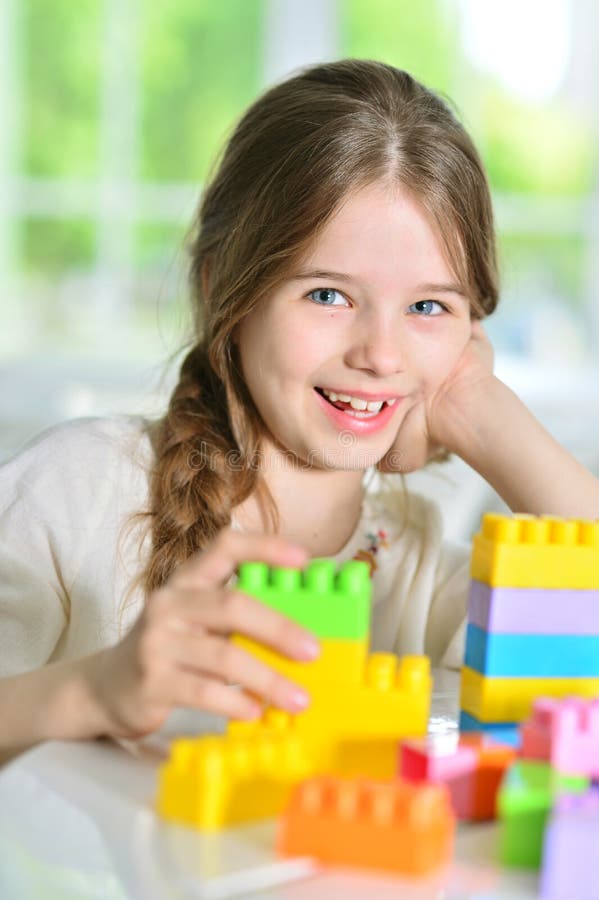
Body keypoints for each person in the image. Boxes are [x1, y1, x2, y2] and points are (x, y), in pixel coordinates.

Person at [1, 58, 598, 761]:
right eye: (327, 295)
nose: (380, 355)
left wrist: (481, 412)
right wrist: (93, 691)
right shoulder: (78, 491)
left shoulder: (415, 570)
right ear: (224, 287)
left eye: (427, 306)